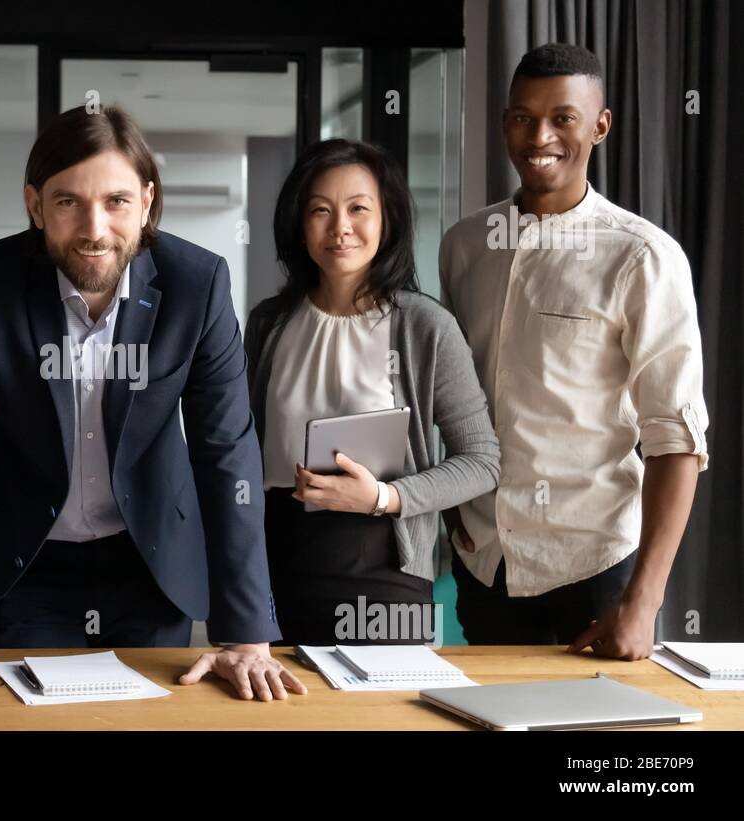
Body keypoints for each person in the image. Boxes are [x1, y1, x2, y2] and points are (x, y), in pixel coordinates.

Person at [0, 104, 307, 704]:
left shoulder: (197, 284)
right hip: (25, 563)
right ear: (35, 204)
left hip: (149, 560)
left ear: (146, 202)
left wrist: (247, 633)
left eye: (117, 201)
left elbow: (225, 451)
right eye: (68, 202)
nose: (94, 228)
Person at [439, 43, 709, 659]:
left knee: (597, 750)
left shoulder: (642, 256)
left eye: (563, 117)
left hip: (593, 566)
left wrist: (643, 603)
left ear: (600, 125)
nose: (540, 135)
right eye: (522, 116)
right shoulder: (463, 247)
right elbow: (453, 390)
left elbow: (677, 439)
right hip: (485, 562)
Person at [245, 139, 499, 645]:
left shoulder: (426, 326)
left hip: (386, 563)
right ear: (299, 223)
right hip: (277, 559)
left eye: (358, 208)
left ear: (388, 220)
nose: (340, 227)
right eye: (320, 210)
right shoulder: (269, 324)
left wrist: (386, 496)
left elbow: (483, 460)